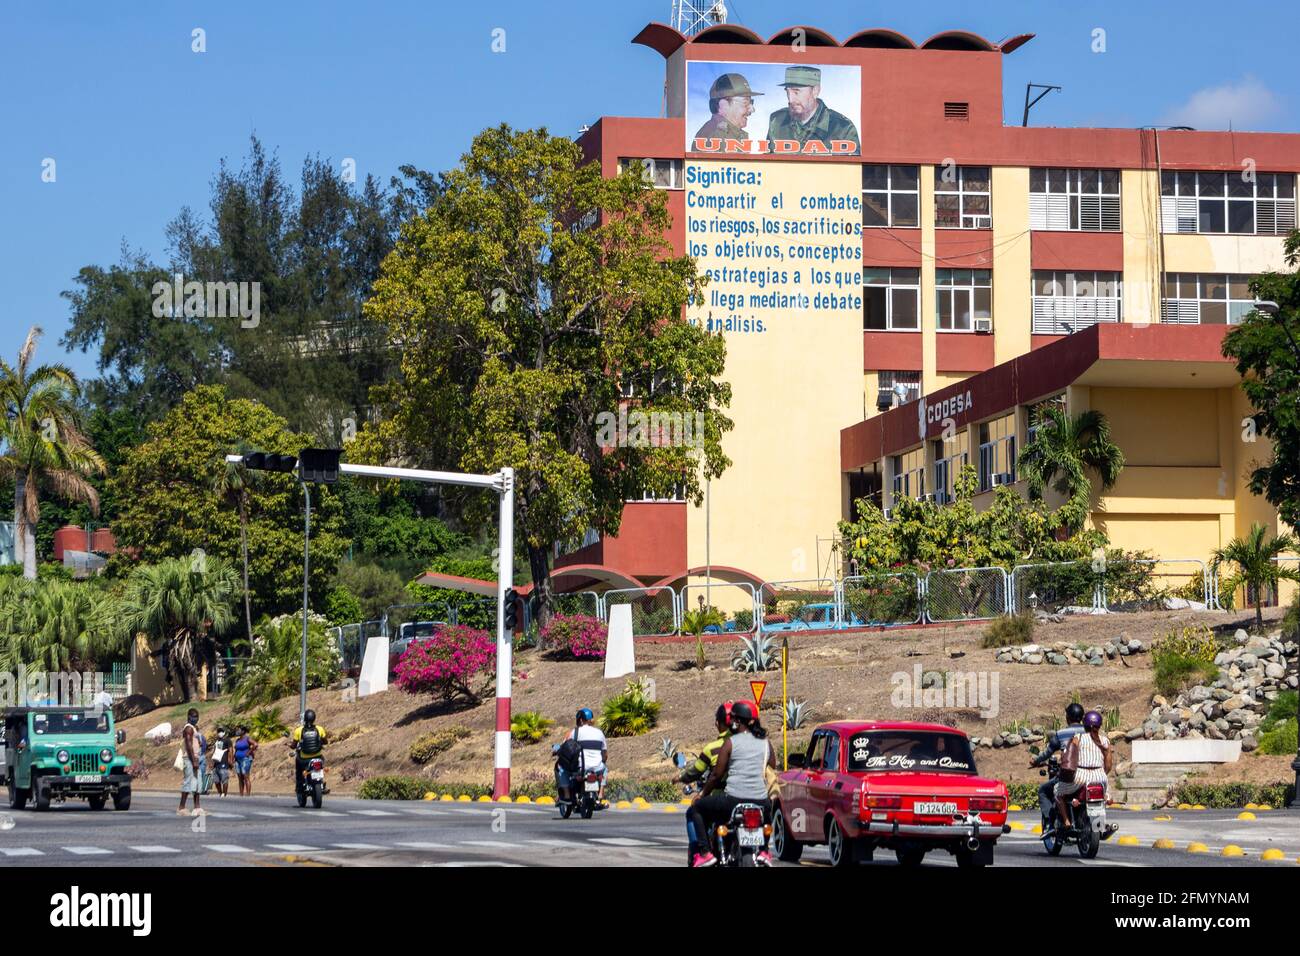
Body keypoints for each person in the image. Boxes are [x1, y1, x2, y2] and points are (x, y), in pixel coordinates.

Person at [688, 700, 776, 867]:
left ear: (738, 721)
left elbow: (716, 775)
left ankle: (705, 853)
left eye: (735, 719)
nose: (732, 722)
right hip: (760, 801)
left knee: (697, 809)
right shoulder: (765, 743)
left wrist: (701, 794)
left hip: (733, 801)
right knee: (768, 810)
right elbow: (772, 765)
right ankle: (764, 850)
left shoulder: (731, 743)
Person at [677, 702, 735, 860]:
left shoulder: (714, 747)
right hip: (754, 797)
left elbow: (697, 771)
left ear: (718, 723)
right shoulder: (750, 743)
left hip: (722, 797)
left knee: (693, 811)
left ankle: (699, 852)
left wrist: (680, 778)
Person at [765, 66, 860, 154]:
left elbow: (854, 170)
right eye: (788, 92)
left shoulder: (843, 128)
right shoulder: (777, 120)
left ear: (815, 91)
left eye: (796, 92)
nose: (790, 99)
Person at [1053, 710, 1112, 833]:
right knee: (1103, 798)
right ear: (1099, 725)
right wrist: (1101, 773)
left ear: (1084, 725)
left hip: (1081, 776)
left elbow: (1068, 756)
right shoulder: (1105, 741)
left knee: (1057, 791)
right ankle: (1100, 825)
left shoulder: (1078, 737)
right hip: (1100, 777)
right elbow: (1108, 765)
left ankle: (1066, 822)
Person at [1029, 702, 1086, 826]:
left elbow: (1047, 753)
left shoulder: (1061, 734)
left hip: (1071, 775)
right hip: (1090, 776)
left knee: (1043, 790)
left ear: (1068, 717)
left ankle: (1051, 822)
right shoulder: (1090, 733)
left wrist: (1036, 760)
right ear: (1082, 717)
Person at [692, 73, 763, 144]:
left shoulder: (726, 135)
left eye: (751, 102)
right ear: (723, 105)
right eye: (745, 103)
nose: (752, 110)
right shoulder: (715, 137)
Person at [557, 708, 607, 805]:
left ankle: (566, 796)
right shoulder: (600, 733)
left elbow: (564, 746)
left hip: (581, 768)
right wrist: (600, 763)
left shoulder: (575, 732)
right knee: (605, 769)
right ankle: (600, 795)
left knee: (562, 768)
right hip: (597, 768)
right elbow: (605, 754)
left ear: (580, 720)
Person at [288, 709, 328, 796]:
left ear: (305, 719)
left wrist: (289, 745)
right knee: (322, 763)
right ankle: (322, 782)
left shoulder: (298, 730)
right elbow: (325, 742)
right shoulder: (320, 729)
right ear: (314, 718)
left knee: (299, 769)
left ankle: (299, 786)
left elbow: (293, 746)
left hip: (304, 759)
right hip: (317, 757)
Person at [177, 708, 206, 817]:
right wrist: (193, 760)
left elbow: (195, 742)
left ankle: (197, 807)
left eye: (197, 716)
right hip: (190, 759)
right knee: (188, 782)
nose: (195, 718)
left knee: (197, 783)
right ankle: (181, 807)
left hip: (196, 758)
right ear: (188, 716)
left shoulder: (194, 728)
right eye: (193, 716)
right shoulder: (188, 729)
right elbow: (188, 745)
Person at [233, 725, 257, 796]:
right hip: (238, 760)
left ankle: (248, 795)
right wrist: (234, 757)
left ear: (243, 731)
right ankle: (241, 794)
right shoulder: (237, 740)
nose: (237, 731)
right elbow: (236, 749)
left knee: (246, 776)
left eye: (239, 730)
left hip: (245, 759)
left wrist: (249, 752)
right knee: (240, 777)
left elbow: (255, 744)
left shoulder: (247, 739)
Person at [210, 727, 232, 797]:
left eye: (221, 731)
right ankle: (220, 793)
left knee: (224, 779)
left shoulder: (227, 740)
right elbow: (214, 751)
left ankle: (224, 794)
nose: (219, 733)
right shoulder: (217, 741)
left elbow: (231, 750)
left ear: (224, 732)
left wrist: (230, 760)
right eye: (218, 731)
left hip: (224, 762)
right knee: (216, 780)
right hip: (216, 763)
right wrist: (212, 762)